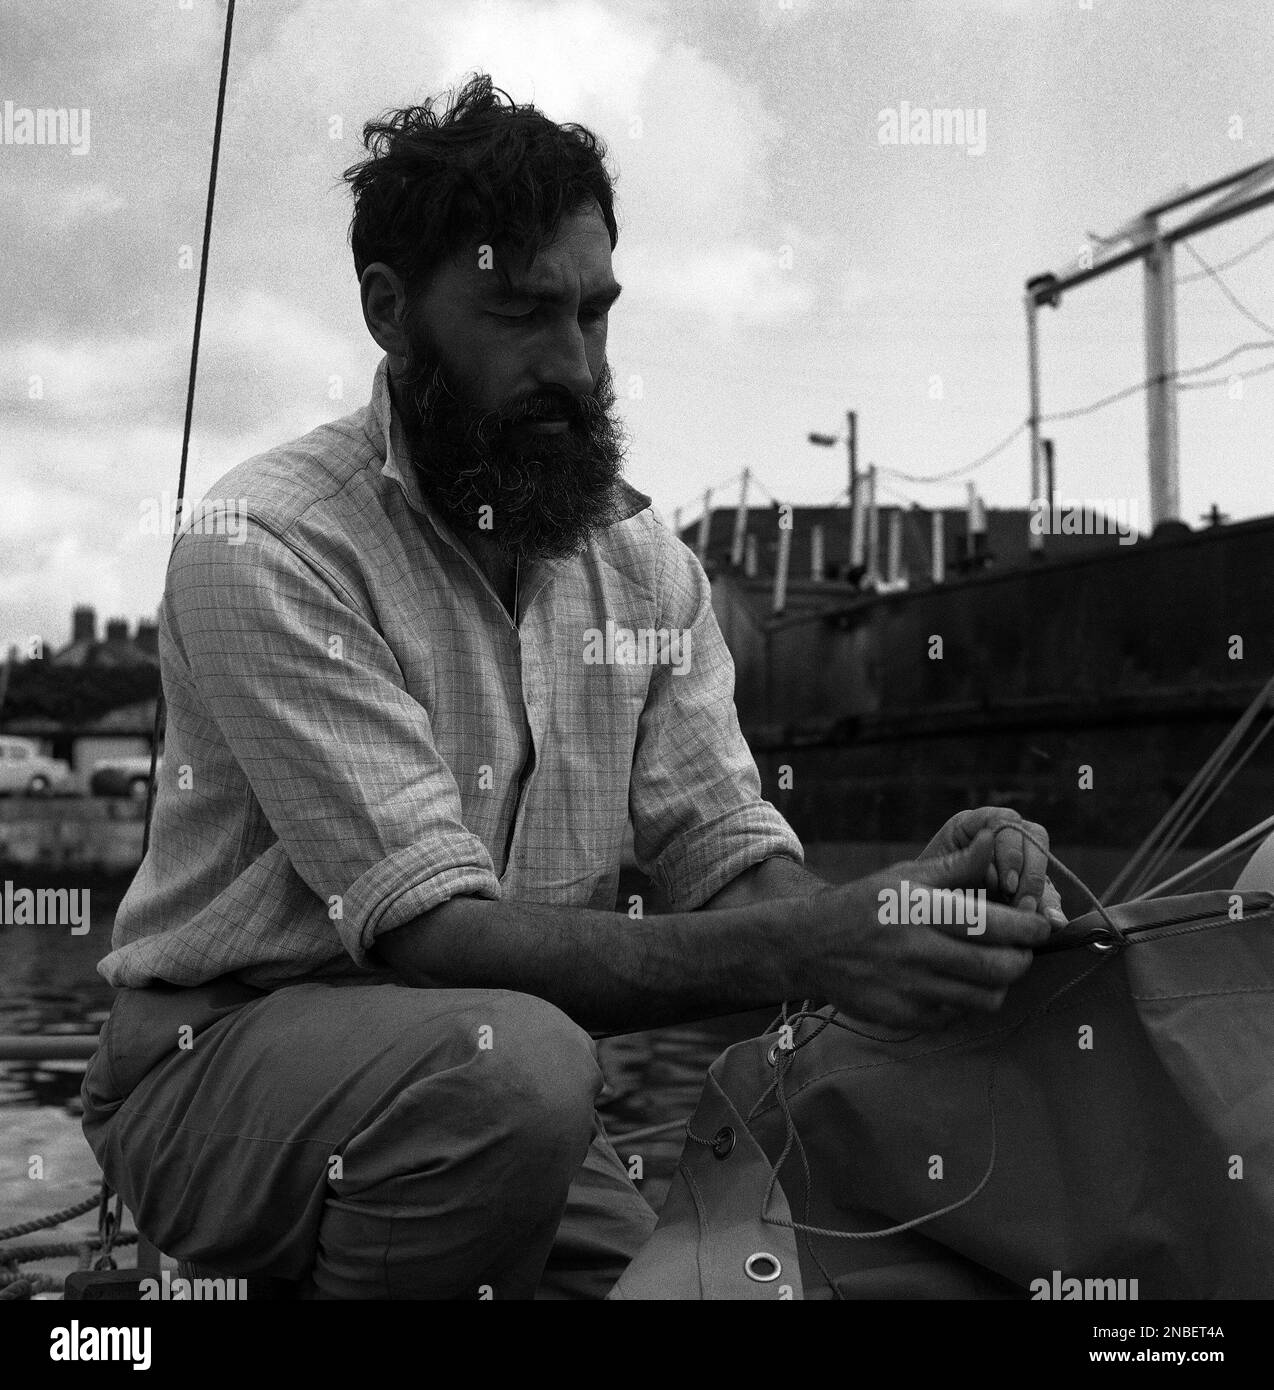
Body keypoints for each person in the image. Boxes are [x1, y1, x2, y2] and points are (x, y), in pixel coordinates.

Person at [81, 74, 1065, 1300]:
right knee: (517, 1071)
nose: (576, 367)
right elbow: (438, 940)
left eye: (595, 315)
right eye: (520, 315)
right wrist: (821, 947)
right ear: (391, 312)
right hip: (213, 1071)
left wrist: (901, 910)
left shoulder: (645, 570)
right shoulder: (268, 546)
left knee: (758, 1284)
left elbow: (728, 858)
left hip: (493, 1097)